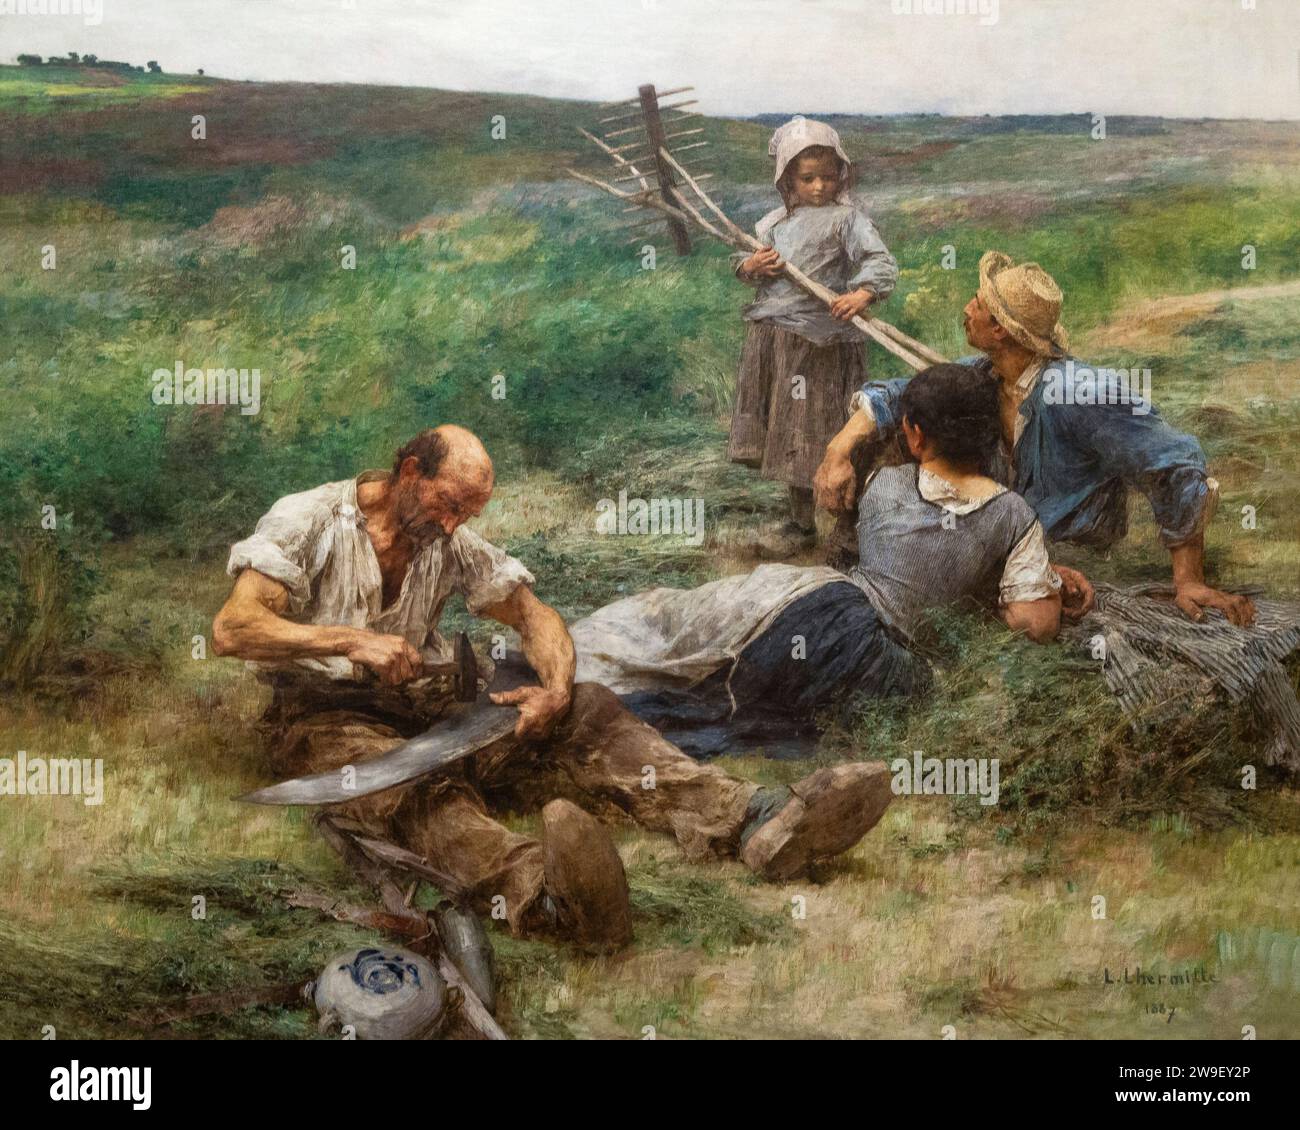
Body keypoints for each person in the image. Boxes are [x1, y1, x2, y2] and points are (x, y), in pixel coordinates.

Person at [212, 425, 896, 952]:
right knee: (419, 789)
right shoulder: (308, 519)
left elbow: (533, 613)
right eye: (450, 505)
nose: (454, 527)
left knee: (592, 710)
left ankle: (752, 818)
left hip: (421, 708)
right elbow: (234, 628)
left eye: (468, 514)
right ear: (410, 472)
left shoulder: (447, 538)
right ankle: (547, 897)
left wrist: (557, 687)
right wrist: (350, 640)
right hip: (324, 719)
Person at [572, 364, 1062, 753]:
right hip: (887, 664)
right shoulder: (1014, 516)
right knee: (748, 712)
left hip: (821, 609)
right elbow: (1034, 624)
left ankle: (585, 680)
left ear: (914, 436)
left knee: (689, 648)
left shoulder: (884, 483)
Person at [814, 251, 1255, 627]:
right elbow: (901, 395)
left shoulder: (1079, 393)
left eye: (978, 301)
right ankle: (862, 573)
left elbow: (1174, 461)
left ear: (1000, 329)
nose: (967, 308)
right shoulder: (987, 375)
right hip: (1011, 543)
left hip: (1069, 550)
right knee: (891, 436)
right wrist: (838, 451)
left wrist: (1188, 579)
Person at [728, 115, 899, 561]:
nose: (819, 187)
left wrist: (861, 293)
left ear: (841, 175)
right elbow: (742, 260)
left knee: (829, 431)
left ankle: (850, 525)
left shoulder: (848, 220)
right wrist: (751, 267)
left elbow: (880, 262)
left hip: (823, 345)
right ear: (787, 181)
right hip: (777, 343)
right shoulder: (773, 224)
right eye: (808, 179)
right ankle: (801, 522)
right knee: (790, 434)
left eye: (827, 177)